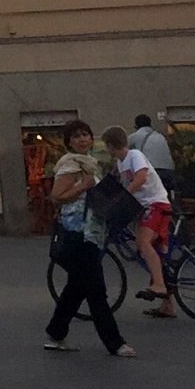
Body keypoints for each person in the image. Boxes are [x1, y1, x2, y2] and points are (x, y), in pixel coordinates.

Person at [43, 119, 132, 358]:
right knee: (96, 291)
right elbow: (57, 196)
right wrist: (83, 186)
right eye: (77, 136)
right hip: (77, 234)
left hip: (90, 233)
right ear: (69, 141)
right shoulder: (71, 165)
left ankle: (56, 332)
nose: (83, 139)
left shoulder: (89, 163)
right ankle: (115, 343)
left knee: (76, 288)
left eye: (86, 135)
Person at [106, 125, 173, 319]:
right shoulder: (121, 163)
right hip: (145, 207)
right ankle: (168, 305)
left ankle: (159, 285)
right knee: (156, 254)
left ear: (111, 145)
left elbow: (141, 178)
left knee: (143, 244)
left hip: (156, 204)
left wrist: (123, 196)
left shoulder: (134, 155)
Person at [127, 113, 177, 199]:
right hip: (169, 171)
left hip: (153, 171)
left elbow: (124, 151)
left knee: (150, 198)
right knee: (166, 197)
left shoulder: (135, 136)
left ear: (136, 126)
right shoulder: (160, 136)